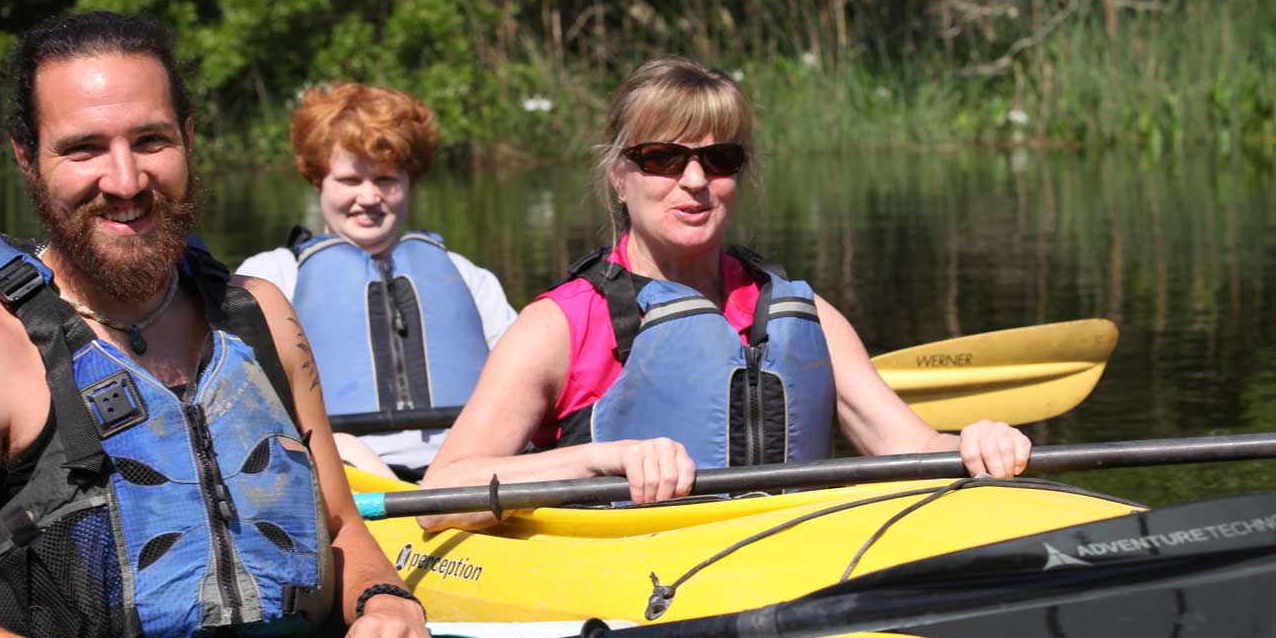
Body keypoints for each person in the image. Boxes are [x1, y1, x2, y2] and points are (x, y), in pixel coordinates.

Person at [0, 12, 435, 638]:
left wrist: (385, 601)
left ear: (188, 136)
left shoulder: (261, 316)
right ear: (27, 158)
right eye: (84, 149)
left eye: (150, 140)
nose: (126, 180)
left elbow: (340, 528)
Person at [421, 55, 1031, 527]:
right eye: (663, 158)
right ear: (618, 176)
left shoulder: (801, 311)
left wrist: (974, 444)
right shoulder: (559, 326)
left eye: (719, 159)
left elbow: (909, 448)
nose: (694, 182)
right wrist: (597, 460)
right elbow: (439, 496)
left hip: (791, 562)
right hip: (630, 589)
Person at [235, 83, 517, 479]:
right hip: (340, 475)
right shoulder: (270, 276)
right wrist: (348, 453)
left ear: (409, 182)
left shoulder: (468, 276)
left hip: (466, 474)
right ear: (318, 180)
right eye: (350, 180)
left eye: (386, 180)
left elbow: (520, 390)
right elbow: (241, 405)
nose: (369, 198)